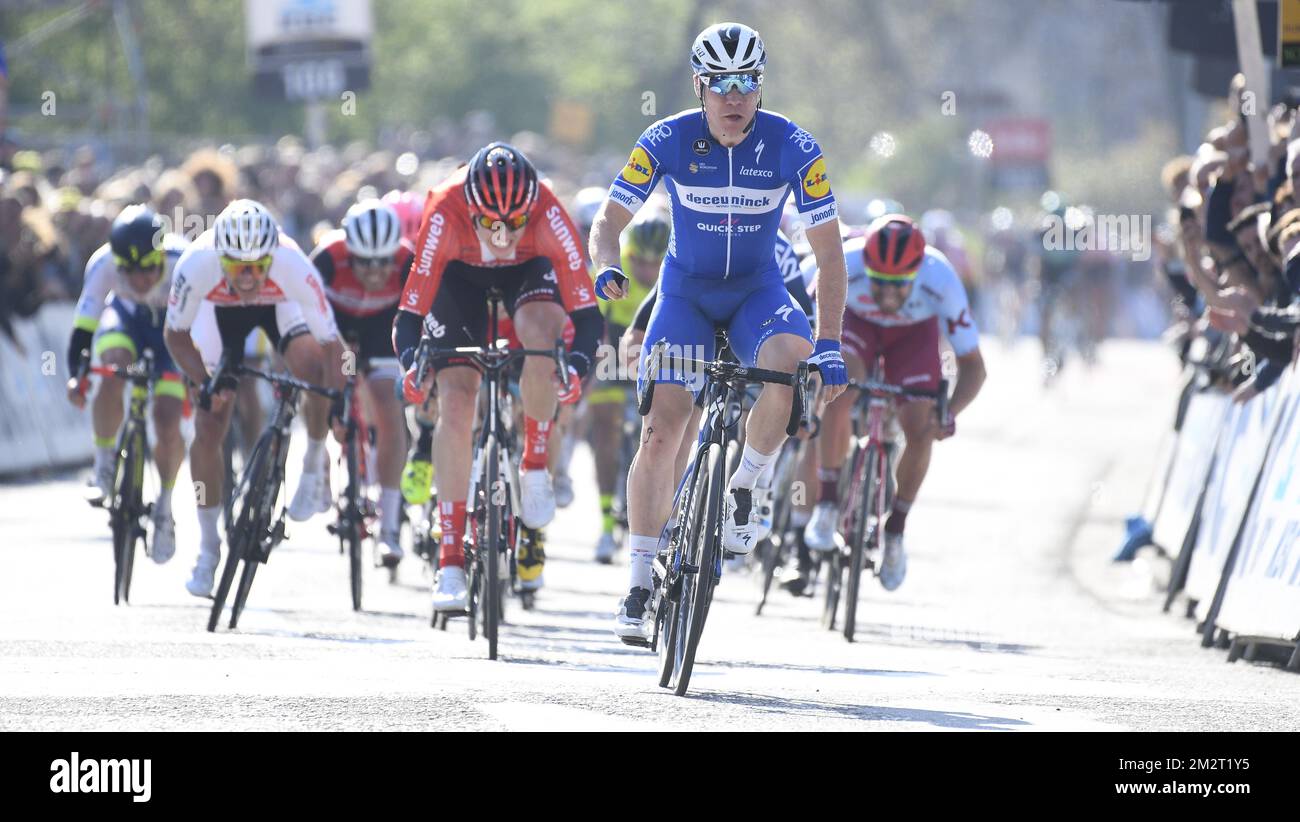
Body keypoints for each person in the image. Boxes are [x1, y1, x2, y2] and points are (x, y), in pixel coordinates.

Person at [589, 22, 849, 642]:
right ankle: (639, 579)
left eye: (748, 83)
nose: (736, 98)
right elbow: (608, 220)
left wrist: (833, 343)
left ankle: (745, 487)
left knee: (791, 361)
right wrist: (607, 264)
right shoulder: (665, 137)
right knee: (662, 428)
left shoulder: (794, 145)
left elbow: (831, 255)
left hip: (757, 292)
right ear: (700, 87)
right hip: (686, 296)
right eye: (722, 85)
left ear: (760, 87)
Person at [393, 142, 604, 612]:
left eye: (516, 221)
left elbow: (588, 317)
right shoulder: (445, 211)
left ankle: (532, 465)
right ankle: (449, 560)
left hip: (528, 274)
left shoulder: (549, 213)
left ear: (533, 206)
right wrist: (412, 364)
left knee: (542, 335)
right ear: (471, 208)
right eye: (492, 222)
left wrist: (578, 368)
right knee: (457, 396)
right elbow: (409, 313)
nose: (504, 232)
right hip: (458, 280)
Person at [164, 199, 345, 598]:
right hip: (217, 314)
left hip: (278, 307)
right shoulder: (196, 265)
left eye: (256, 266)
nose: (247, 276)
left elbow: (335, 345)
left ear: (272, 255)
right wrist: (204, 381)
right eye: (237, 266)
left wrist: (334, 399)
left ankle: (313, 463)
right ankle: (208, 547)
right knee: (209, 424)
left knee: (311, 369)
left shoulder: (293, 264)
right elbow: (175, 336)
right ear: (220, 256)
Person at [801, 215, 987, 589]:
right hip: (854, 323)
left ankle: (897, 528)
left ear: (916, 274)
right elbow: (795, 310)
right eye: (880, 283)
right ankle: (825, 502)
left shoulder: (941, 279)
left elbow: (975, 369)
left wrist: (948, 413)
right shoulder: (845, 261)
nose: (887, 296)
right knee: (839, 389)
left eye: (898, 286)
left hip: (913, 336)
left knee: (921, 427)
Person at [65, 205, 188, 562]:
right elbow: (84, 328)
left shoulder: (184, 264)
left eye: (149, 268)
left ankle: (165, 505)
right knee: (115, 368)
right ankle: (104, 465)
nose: (140, 280)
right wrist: (77, 375)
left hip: (171, 331)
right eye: (129, 271)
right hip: (127, 322)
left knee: (167, 419)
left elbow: (203, 329)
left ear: (161, 254)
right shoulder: (103, 264)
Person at [310, 199, 415, 567]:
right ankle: (319, 460)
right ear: (349, 253)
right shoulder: (327, 258)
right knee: (324, 394)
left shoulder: (408, 260)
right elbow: (298, 313)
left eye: (382, 262)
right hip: (336, 328)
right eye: (364, 263)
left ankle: (388, 526)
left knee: (388, 410)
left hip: (381, 331)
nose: (374, 271)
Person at [587, 208, 669, 563]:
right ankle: (606, 525)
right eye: (639, 261)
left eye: (656, 263)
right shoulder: (612, 270)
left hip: (662, 344)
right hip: (613, 344)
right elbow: (589, 327)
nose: (647, 271)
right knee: (604, 425)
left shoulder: (670, 276)